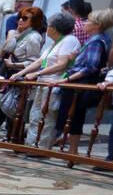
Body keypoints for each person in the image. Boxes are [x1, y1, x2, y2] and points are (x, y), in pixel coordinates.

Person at [49, 8, 113, 155]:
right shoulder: (100, 39)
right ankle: (71, 150)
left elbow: (89, 68)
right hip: (81, 84)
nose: (85, 23)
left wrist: (66, 79)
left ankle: (73, 150)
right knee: (75, 116)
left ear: (97, 25)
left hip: (80, 86)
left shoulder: (96, 42)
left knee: (75, 116)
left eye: (89, 21)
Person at [10, 11, 80, 148]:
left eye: (49, 26)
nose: (46, 28)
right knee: (35, 115)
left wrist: (36, 74)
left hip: (54, 83)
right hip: (43, 83)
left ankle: (42, 148)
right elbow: (39, 61)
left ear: (54, 28)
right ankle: (31, 145)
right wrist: (23, 72)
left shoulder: (69, 40)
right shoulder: (53, 44)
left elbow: (62, 64)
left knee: (48, 118)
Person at [0, 6, 47, 139]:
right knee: (6, 105)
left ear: (34, 21)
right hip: (10, 74)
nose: (20, 20)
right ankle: (11, 135)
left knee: (15, 108)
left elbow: (34, 61)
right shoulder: (20, 33)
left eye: (25, 18)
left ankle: (15, 137)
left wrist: (14, 64)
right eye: (19, 17)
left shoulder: (33, 38)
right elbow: (6, 50)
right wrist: (14, 34)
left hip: (20, 76)